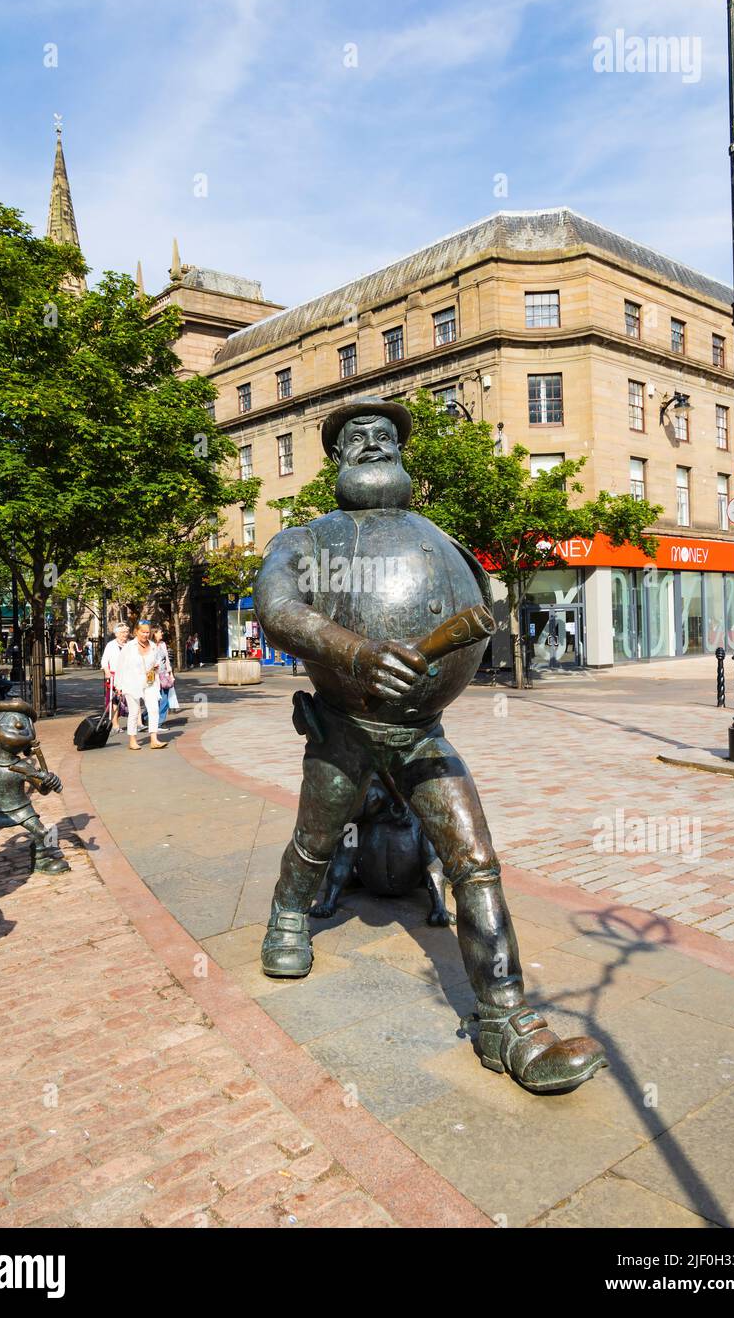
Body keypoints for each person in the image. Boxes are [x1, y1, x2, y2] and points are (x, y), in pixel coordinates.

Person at [253, 398, 607, 1095]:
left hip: (422, 733)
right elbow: (277, 607)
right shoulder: (306, 538)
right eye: (359, 437)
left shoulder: (437, 535)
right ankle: (287, 915)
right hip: (344, 726)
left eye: (387, 436)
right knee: (315, 840)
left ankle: (506, 1022)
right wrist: (354, 654)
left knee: (475, 861)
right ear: (336, 458)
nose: (376, 443)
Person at [117, 621, 166, 752]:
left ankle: (154, 739)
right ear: (136, 632)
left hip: (150, 682)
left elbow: (158, 662)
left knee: (154, 709)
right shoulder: (129, 647)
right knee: (134, 712)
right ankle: (133, 740)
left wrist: (156, 666)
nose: (145, 634)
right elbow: (120, 666)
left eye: (147, 632)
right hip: (131, 682)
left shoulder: (153, 646)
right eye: (143, 632)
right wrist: (118, 685)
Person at [100, 623, 129, 732]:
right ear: (116, 634)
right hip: (114, 675)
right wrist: (107, 671)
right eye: (122, 632)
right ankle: (115, 725)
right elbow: (104, 660)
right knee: (115, 700)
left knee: (128, 699)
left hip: (127, 676)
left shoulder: (129, 645)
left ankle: (135, 723)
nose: (125, 634)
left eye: (126, 632)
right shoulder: (111, 645)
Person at [151, 626, 174, 729]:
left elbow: (167, 660)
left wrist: (170, 673)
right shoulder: (149, 645)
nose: (162, 634)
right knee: (154, 699)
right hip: (154, 675)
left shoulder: (163, 644)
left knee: (165, 698)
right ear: (154, 633)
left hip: (164, 674)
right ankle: (146, 717)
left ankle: (159, 722)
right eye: (160, 632)